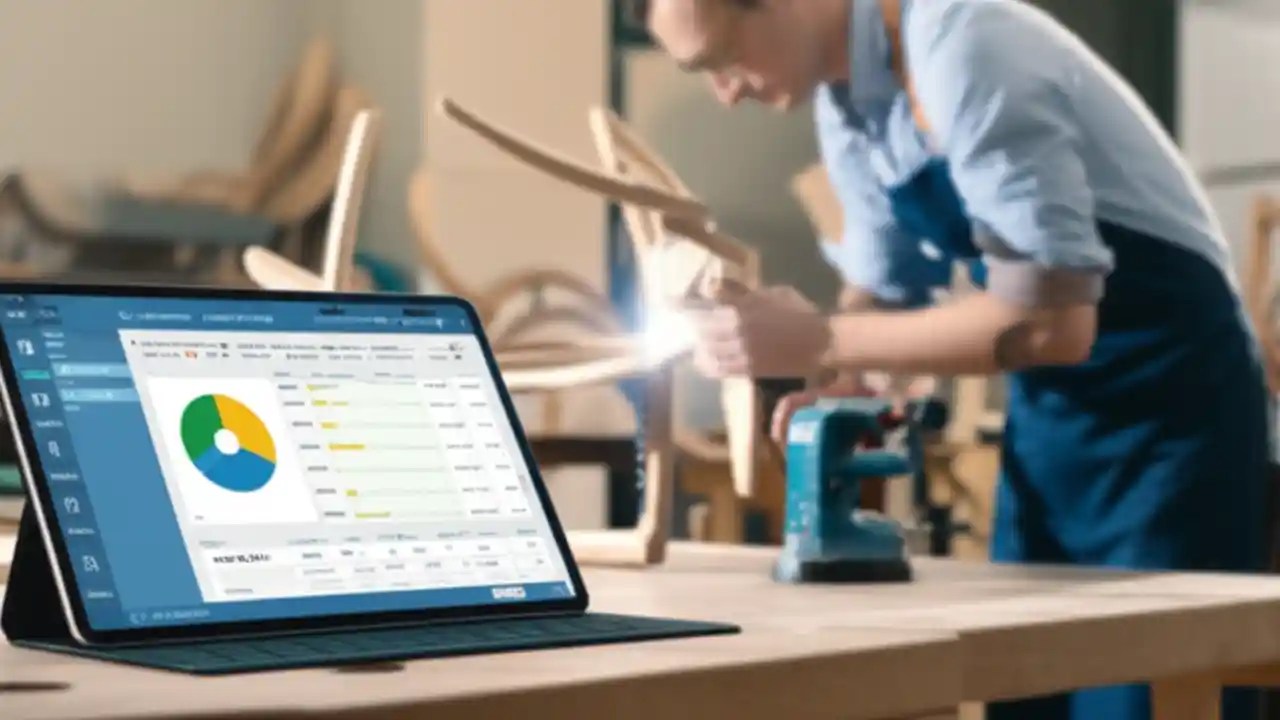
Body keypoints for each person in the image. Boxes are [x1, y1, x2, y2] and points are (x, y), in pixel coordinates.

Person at [624, 0, 1274, 718]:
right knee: (1027, 685)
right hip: (1052, 421)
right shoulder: (850, 111)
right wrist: (835, 387)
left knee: (1148, 692)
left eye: (721, 56)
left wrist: (814, 338)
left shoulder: (964, 45)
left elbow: (1053, 324)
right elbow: (887, 303)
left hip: (1171, 414)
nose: (726, 90)